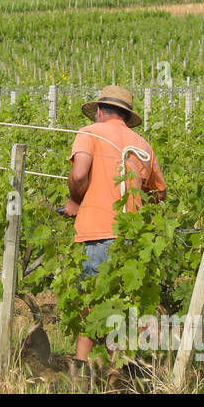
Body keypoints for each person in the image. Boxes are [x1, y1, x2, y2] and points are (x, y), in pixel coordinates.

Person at [64, 85, 166, 383]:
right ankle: (130, 375)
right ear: (126, 115)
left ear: (99, 110)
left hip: (97, 233)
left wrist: (76, 200)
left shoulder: (90, 132)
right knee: (129, 306)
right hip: (133, 240)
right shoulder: (142, 145)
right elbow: (159, 193)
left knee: (93, 307)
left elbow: (80, 174)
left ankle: (82, 377)